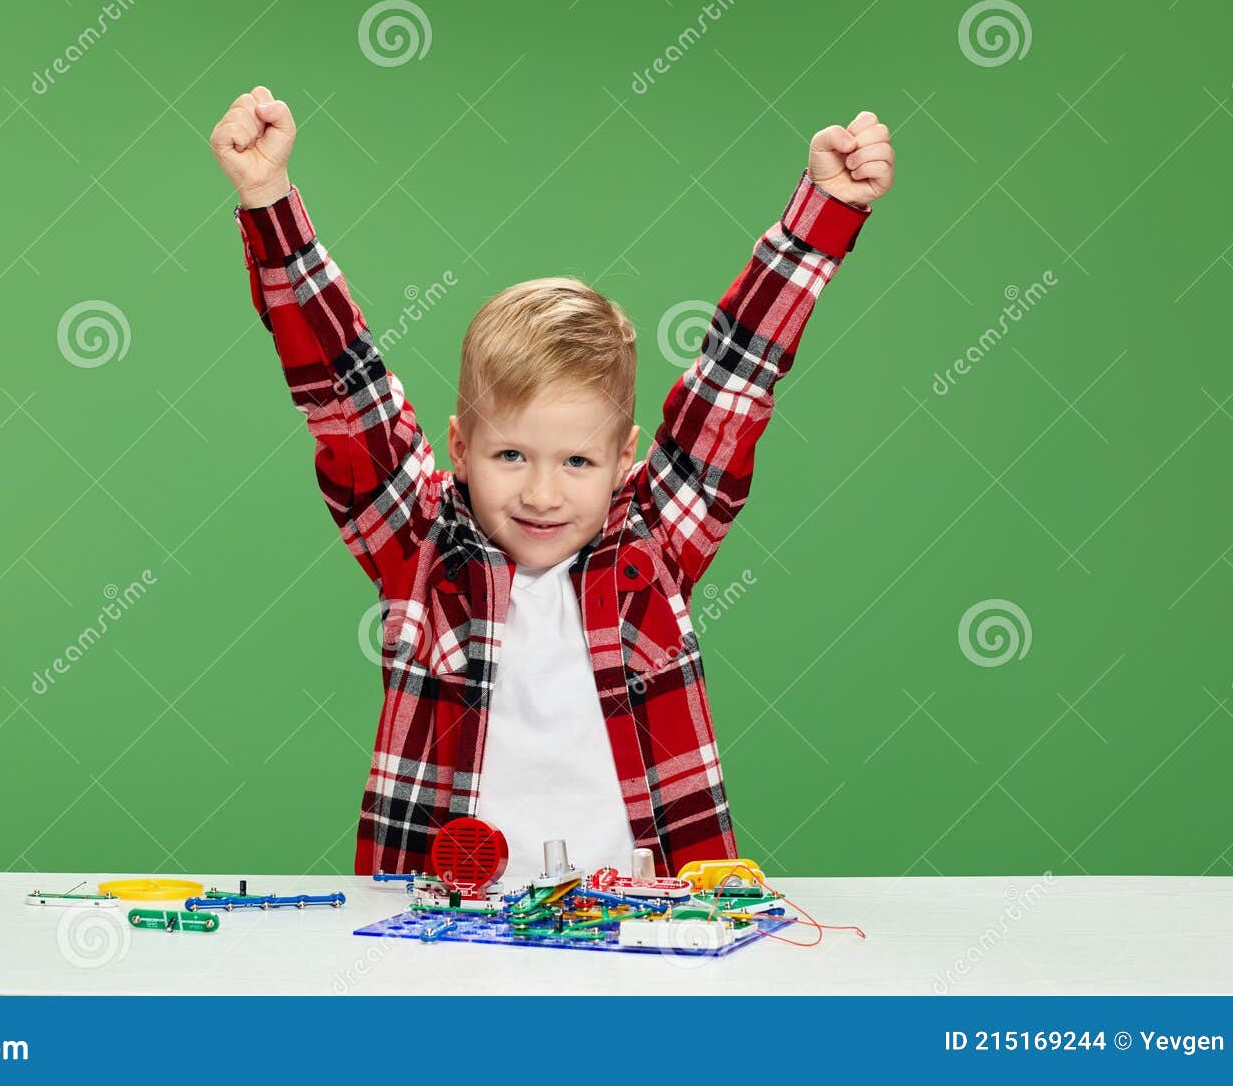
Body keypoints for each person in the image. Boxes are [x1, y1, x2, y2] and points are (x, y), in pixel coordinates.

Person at [209, 86, 894, 878]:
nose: (541, 493)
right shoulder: (421, 545)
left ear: (623, 459)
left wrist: (823, 215)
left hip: (645, 933)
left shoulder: (656, 541)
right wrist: (267, 201)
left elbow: (736, 377)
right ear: (459, 448)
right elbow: (340, 383)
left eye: (576, 462)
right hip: (442, 935)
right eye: (510, 457)